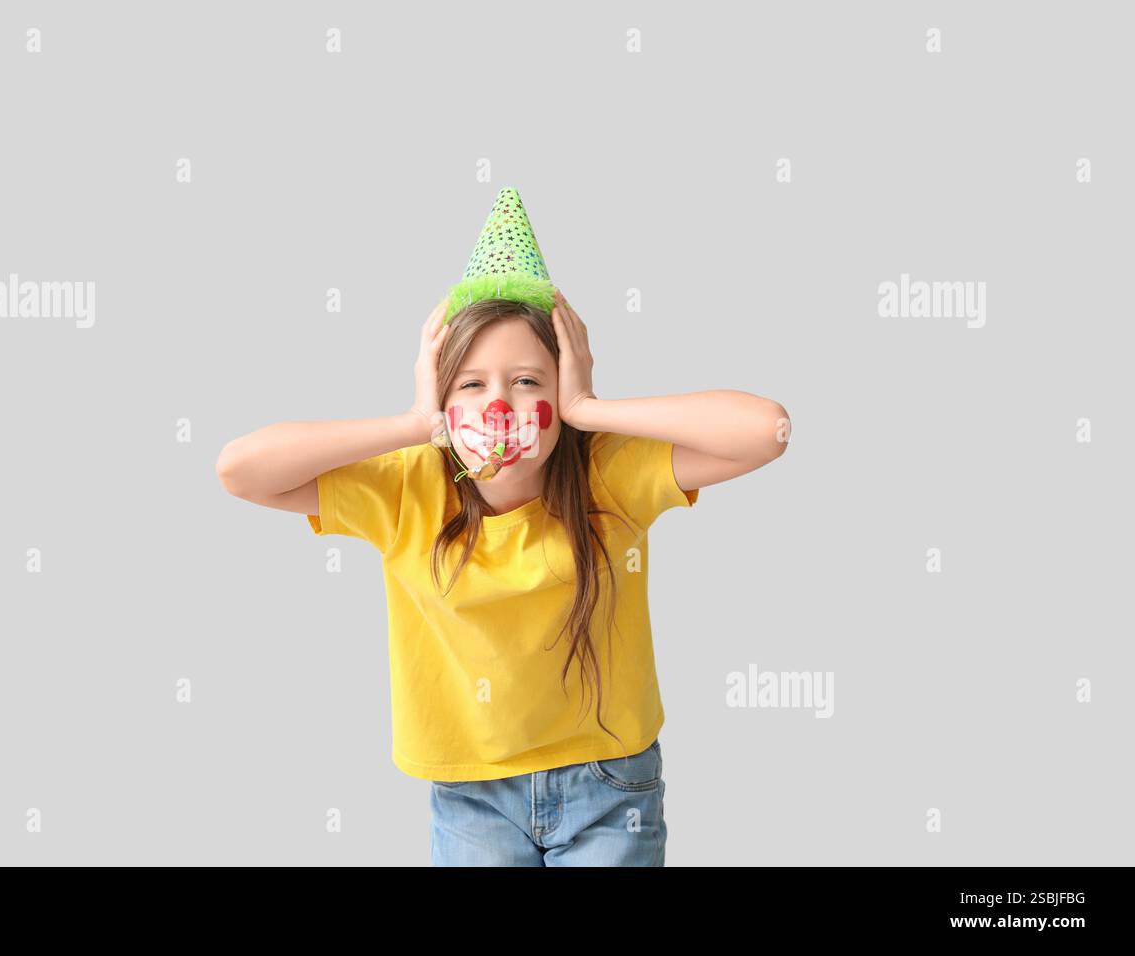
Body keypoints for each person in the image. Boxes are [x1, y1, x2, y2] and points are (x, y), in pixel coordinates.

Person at [217, 290, 790, 866]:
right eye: (471, 384)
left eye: (527, 381)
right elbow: (241, 470)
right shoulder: (405, 489)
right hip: (474, 793)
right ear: (441, 396)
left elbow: (767, 430)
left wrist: (590, 410)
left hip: (610, 783)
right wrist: (413, 423)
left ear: (561, 389)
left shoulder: (607, 473)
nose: (500, 407)